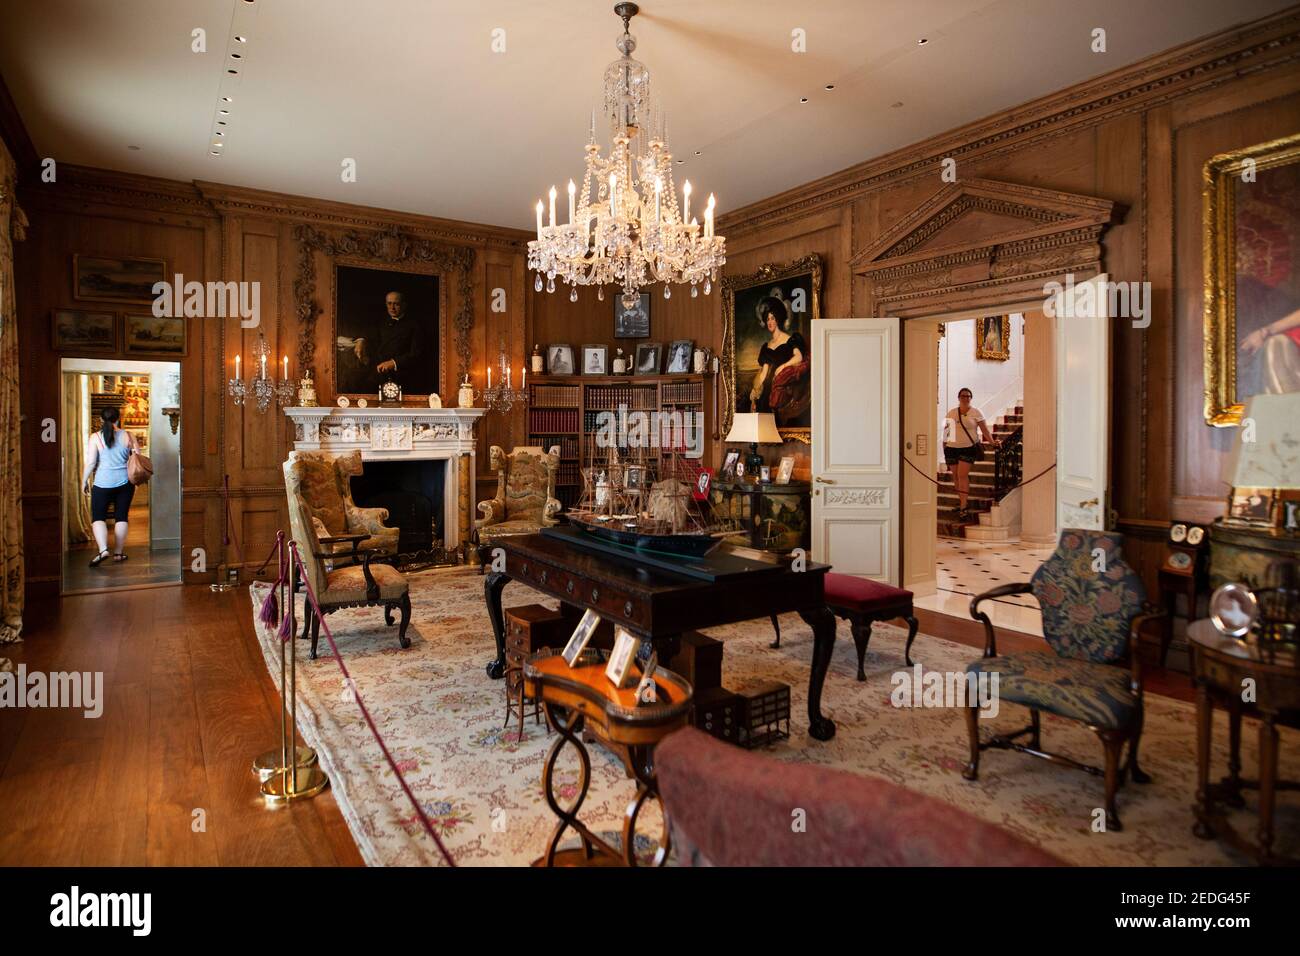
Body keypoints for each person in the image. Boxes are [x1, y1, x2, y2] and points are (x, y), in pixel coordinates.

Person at [81, 406, 138, 567]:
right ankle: (118, 553)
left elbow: (91, 462)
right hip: (125, 483)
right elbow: (138, 458)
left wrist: (84, 481)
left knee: (98, 517)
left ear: (101, 419)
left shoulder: (95, 437)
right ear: (118, 418)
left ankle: (103, 549)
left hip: (102, 483)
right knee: (121, 516)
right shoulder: (128, 435)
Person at [748, 296, 808, 423]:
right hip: (769, 386)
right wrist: (756, 389)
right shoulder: (766, 346)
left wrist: (783, 366)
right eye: (767, 319)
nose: (769, 322)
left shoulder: (790, 339)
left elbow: (799, 357)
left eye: (772, 318)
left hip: (782, 384)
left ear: (778, 319)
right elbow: (764, 372)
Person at [943, 387, 996, 520]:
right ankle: (961, 502)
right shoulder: (952, 412)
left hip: (968, 447)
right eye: (963, 396)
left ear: (971, 398)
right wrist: (944, 445)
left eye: (968, 396)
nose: (965, 398)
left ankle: (964, 506)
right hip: (951, 448)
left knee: (962, 475)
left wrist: (992, 442)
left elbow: (985, 430)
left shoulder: (976, 412)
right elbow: (947, 431)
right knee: (955, 476)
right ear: (959, 398)